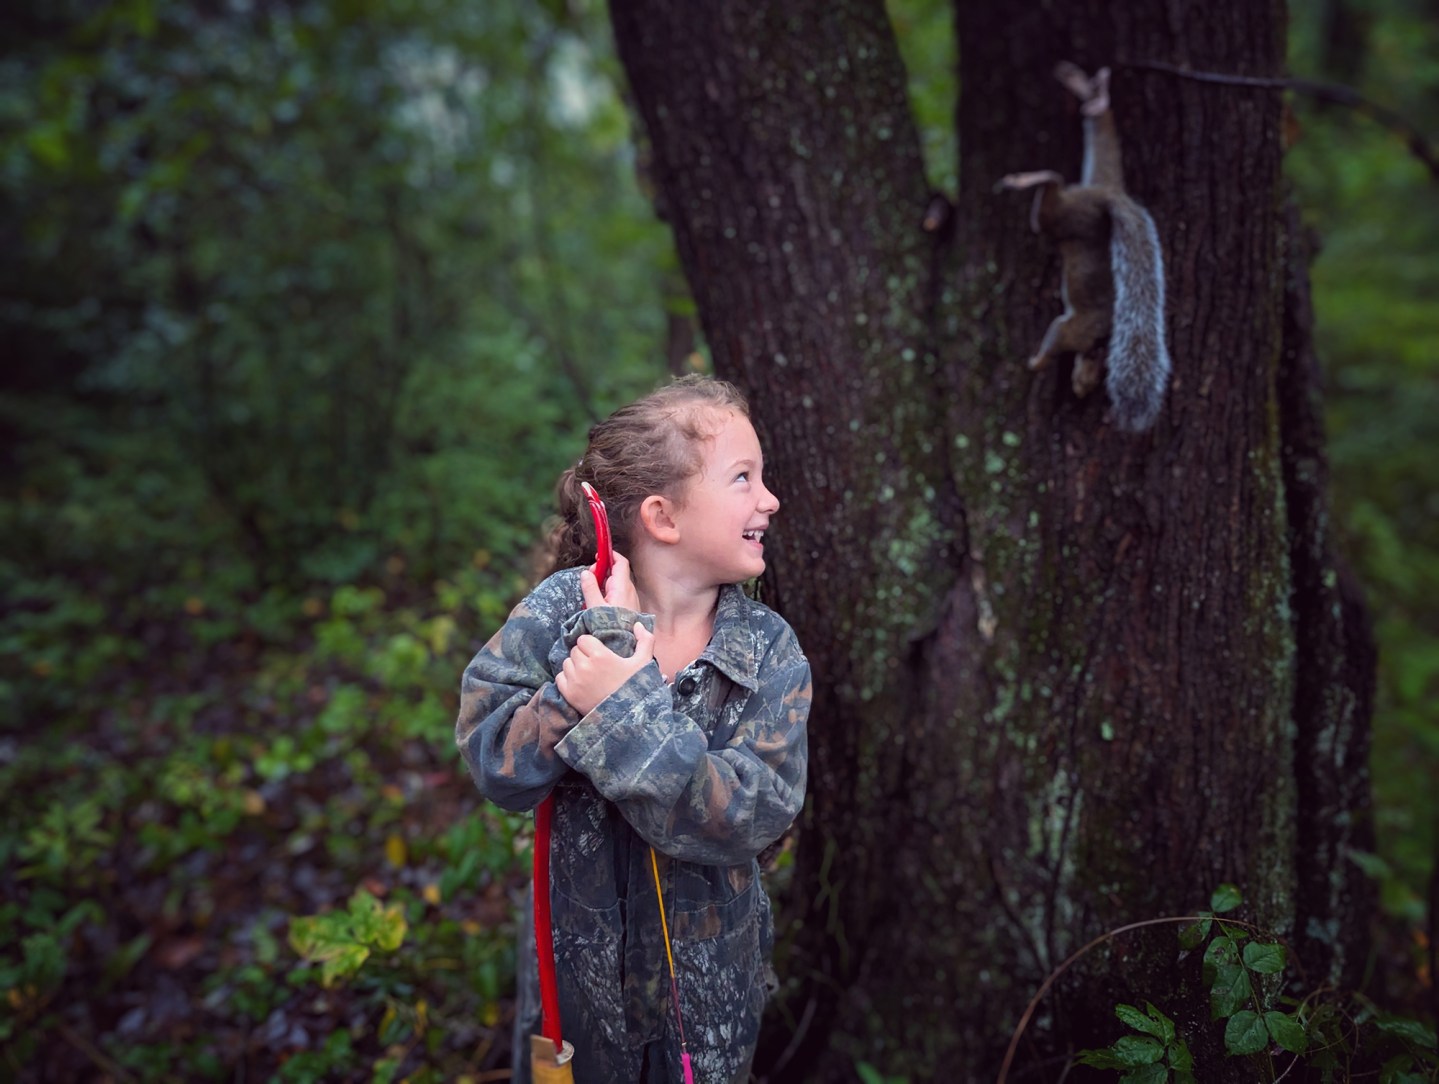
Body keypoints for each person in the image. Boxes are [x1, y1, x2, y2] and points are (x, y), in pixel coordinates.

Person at [455, 375, 811, 1084]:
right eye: (743, 478)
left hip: (706, 1009)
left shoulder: (766, 650)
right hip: (573, 996)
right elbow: (495, 765)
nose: (768, 499)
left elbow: (752, 817)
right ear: (662, 516)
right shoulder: (558, 612)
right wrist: (573, 691)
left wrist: (620, 706)